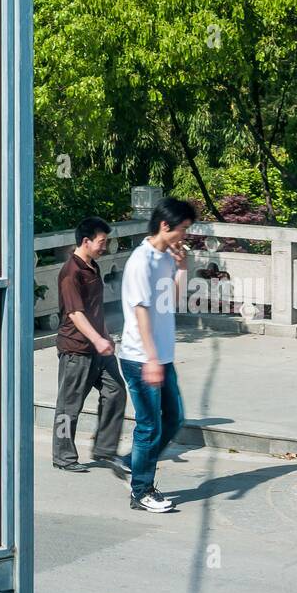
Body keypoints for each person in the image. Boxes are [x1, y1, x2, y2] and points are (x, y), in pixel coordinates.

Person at [119, 196, 197, 512]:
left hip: (161, 356)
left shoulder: (166, 258)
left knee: (174, 417)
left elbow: (171, 301)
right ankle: (141, 491)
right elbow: (141, 313)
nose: (185, 236)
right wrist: (151, 359)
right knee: (149, 425)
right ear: (165, 225)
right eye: (183, 229)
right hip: (141, 358)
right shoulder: (141, 261)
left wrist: (181, 269)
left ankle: (133, 462)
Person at [53, 216, 128, 476]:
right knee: (68, 407)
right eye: (101, 242)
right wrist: (96, 339)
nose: (104, 246)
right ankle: (63, 455)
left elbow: (95, 310)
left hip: (99, 347)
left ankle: (105, 449)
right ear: (86, 241)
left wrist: (105, 336)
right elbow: (75, 313)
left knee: (116, 390)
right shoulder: (70, 273)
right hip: (76, 349)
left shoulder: (92, 266)